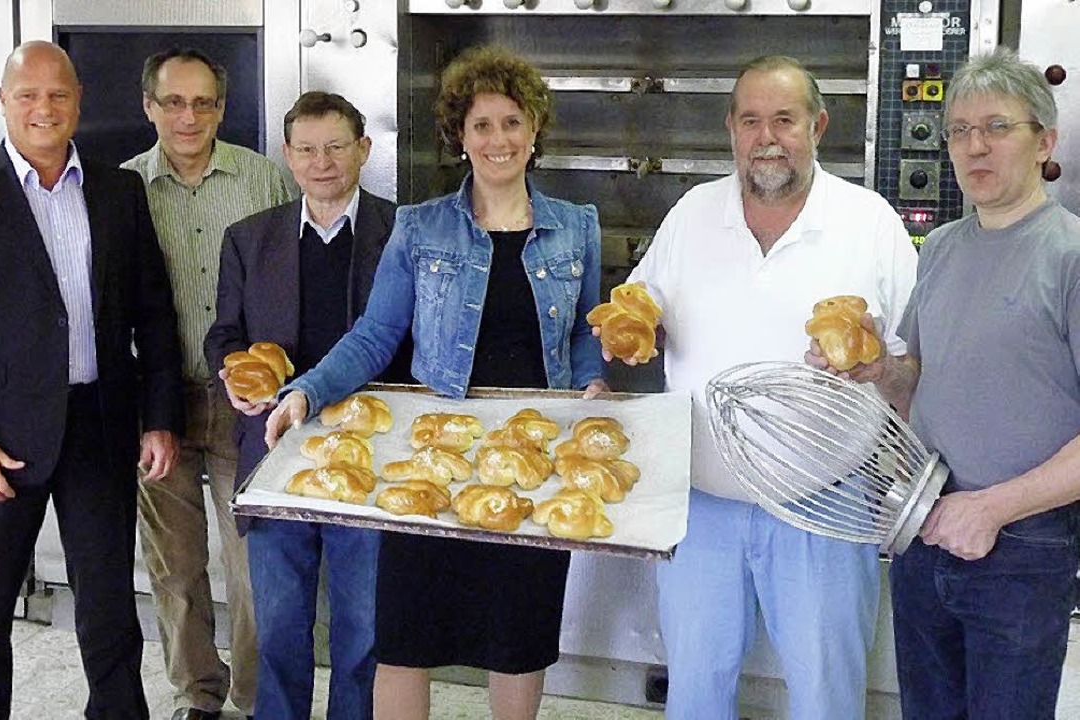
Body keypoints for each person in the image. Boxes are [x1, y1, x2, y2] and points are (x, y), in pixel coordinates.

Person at [263, 46, 606, 720]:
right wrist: (307, 389)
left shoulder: (578, 226)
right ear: (460, 136)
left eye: (511, 122)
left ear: (534, 131)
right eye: (481, 125)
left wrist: (592, 390)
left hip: (534, 461)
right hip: (435, 458)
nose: (498, 139)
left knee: (518, 635)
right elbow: (374, 335)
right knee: (406, 636)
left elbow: (585, 337)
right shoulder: (421, 229)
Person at [613, 56, 918, 719]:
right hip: (702, 507)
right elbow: (641, 312)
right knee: (695, 694)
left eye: (784, 119)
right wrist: (630, 332)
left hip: (824, 511)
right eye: (750, 120)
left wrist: (878, 369)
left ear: (819, 125)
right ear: (730, 129)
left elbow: (916, 365)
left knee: (825, 697)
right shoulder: (693, 213)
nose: (767, 137)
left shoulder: (869, 223)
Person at [811, 47, 1080, 720]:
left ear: (1044, 140)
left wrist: (990, 508)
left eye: (996, 127)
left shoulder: (1069, 257)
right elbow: (918, 383)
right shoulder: (944, 249)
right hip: (926, 529)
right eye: (959, 131)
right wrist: (877, 369)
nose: (972, 146)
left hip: (1022, 545)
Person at [0, 41, 183, 719]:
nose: (44, 108)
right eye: (28, 94)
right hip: (1, 441)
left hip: (100, 423)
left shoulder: (118, 188)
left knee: (108, 609)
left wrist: (159, 416)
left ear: (79, 102)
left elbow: (153, 310)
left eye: (58, 94)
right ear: (3, 101)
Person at [205, 91, 412, 720]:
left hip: (374, 460)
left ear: (364, 150)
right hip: (275, 457)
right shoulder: (249, 239)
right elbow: (225, 335)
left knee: (361, 632)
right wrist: (234, 379)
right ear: (288, 158)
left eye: (336, 147)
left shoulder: (404, 231)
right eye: (307, 149)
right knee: (280, 631)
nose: (322, 162)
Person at [121, 46, 293, 720]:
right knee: (174, 568)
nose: (187, 116)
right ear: (149, 107)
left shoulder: (264, 182)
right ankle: (198, 694)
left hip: (245, 401)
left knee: (256, 571)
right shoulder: (122, 187)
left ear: (221, 108)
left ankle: (254, 699)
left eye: (202, 102)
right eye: (172, 101)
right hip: (155, 404)